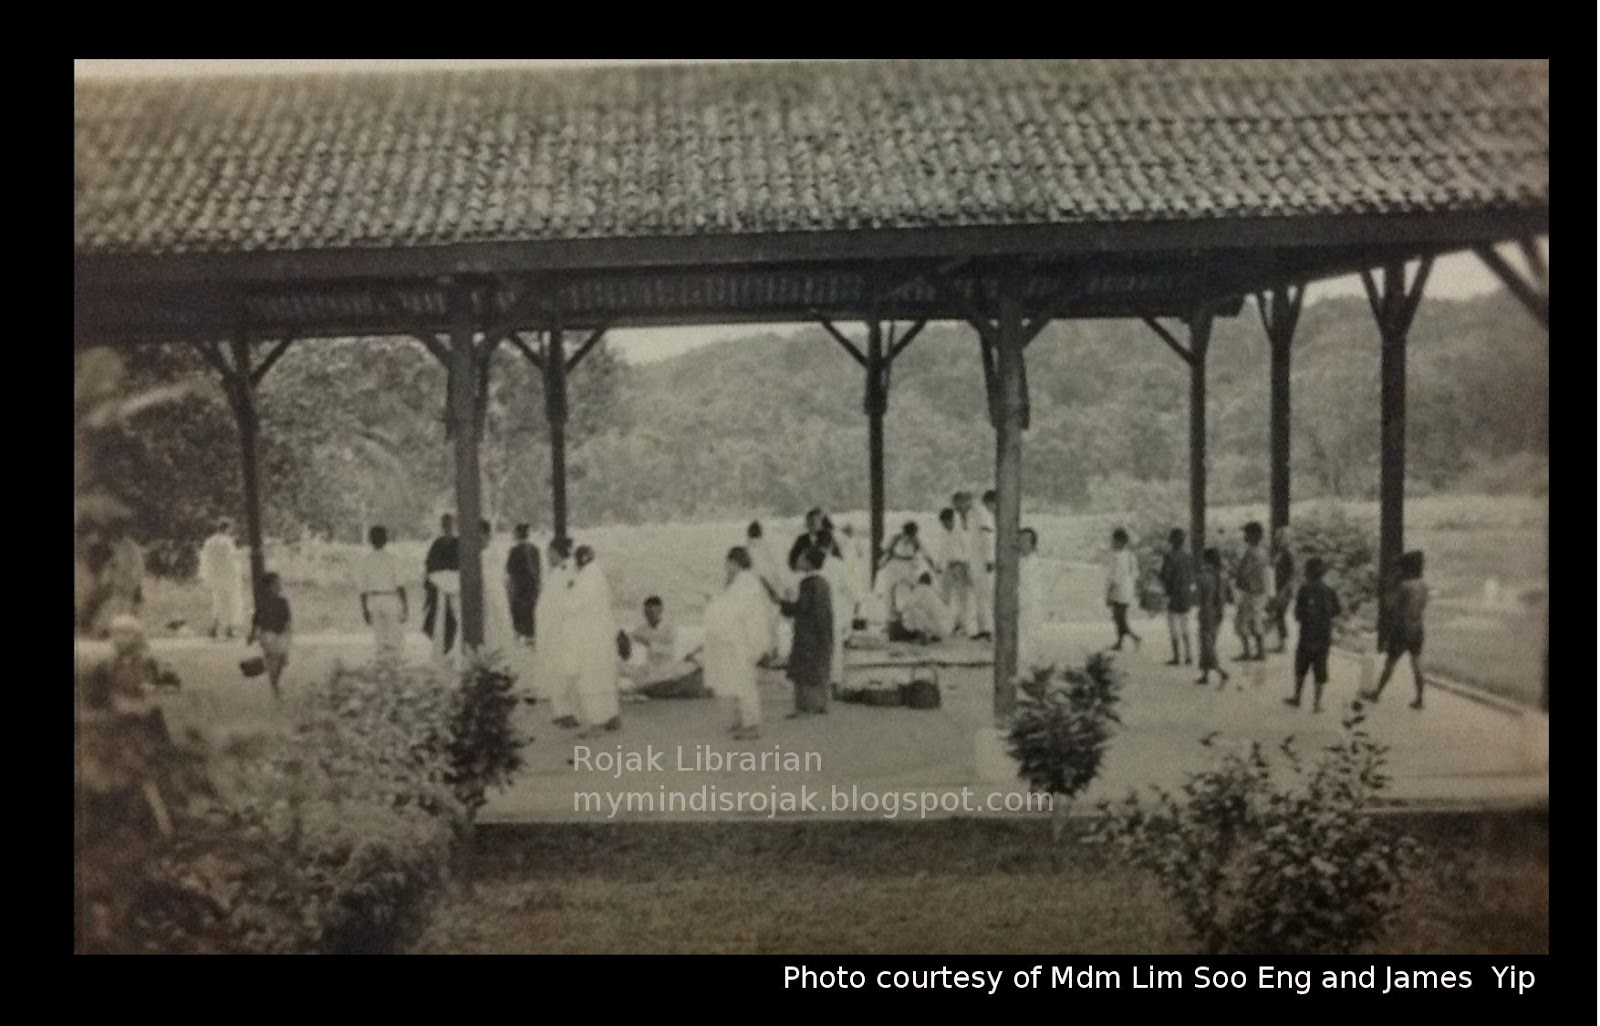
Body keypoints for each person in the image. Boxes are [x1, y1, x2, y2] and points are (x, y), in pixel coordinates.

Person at [701, 549, 772, 739]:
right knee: (738, 680)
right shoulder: (743, 581)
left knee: (744, 682)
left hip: (744, 640)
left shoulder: (745, 582)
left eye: (728, 563)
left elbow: (733, 609)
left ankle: (752, 725)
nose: (726, 567)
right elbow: (732, 606)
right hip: (740, 638)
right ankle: (742, 720)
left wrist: (713, 602)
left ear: (734, 562)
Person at [561, 545, 621, 739]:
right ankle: (612, 716)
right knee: (605, 677)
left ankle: (596, 723)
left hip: (589, 638)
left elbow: (572, 605)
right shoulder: (597, 575)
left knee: (590, 680)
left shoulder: (587, 578)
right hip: (601, 635)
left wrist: (566, 590)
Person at [1364, 550, 1430, 710]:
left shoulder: (1404, 586)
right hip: (1418, 625)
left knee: (1390, 662)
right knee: (1417, 663)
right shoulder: (1424, 586)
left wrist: (1389, 585)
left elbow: (1390, 605)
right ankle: (1420, 698)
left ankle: (1377, 693)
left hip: (1402, 627)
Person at [780, 546, 834, 717]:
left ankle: (803, 708)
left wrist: (785, 604)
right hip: (822, 631)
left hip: (807, 632)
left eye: (802, 558)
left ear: (809, 563)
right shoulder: (824, 583)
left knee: (803, 670)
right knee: (820, 666)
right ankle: (821, 703)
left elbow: (802, 607)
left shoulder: (807, 584)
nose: (799, 560)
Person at [1285, 557, 1341, 713]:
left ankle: (1297, 697)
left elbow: (1297, 614)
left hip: (1306, 635)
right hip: (1323, 636)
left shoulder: (1304, 590)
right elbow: (1337, 611)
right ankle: (1317, 704)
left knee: (1301, 667)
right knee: (1320, 670)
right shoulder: (1330, 591)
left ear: (1308, 572)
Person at [535, 537, 576, 724]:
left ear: (555, 552)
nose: (547, 558)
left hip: (560, 630)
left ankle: (567, 713)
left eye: (548, 553)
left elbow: (563, 603)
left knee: (562, 671)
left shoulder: (566, 572)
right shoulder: (559, 572)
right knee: (556, 671)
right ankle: (562, 712)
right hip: (552, 630)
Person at [357, 525, 408, 665]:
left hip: (374, 600)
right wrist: (405, 606)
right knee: (394, 637)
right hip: (390, 598)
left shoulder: (366, 561)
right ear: (386, 540)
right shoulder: (393, 559)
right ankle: (393, 665)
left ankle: (382, 665)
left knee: (379, 637)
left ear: (370, 540)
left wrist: (365, 610)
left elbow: (362, 590)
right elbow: (400, 585)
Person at [247, 572, 292, 700]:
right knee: (274, 656)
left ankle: (270, 673)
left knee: (281, 659)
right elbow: (256, 620)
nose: (279, 587)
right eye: (275, 585)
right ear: (267, 587)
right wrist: (252, 634)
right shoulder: (262, 603)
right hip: (268, 634)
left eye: (279, 584)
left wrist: (288, 633)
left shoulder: (283, 602)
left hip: (281, 633)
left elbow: (287, 618)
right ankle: (275, 684)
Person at [879, 521, 937, 621]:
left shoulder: (916, 541)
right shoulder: (896, 538)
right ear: (904, 531)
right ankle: (889, 617)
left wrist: (933, 566)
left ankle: (909, 617)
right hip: (894, 565)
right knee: (889, 591)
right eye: (909, 534)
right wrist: (882, 562)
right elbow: (887, 551)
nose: (910, 536)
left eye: (913, 534)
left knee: (910, 590)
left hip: (909, 566)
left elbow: (926, 555)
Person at [746, 521, 785, 661]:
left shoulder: (749, 549)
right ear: (761, 533)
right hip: (766, 590)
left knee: (762, 623)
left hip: (758, 592)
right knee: (770, 622)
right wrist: (774, 590)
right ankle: (770, 653)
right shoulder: (763, 548)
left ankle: (765, 653)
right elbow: (764, 573)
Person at [422, 514, 460, 658]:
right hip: (439, 588)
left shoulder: (459, 542)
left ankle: (453, 647)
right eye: (445, 524)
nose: (448, 527)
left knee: (455, 618)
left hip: (456, 587)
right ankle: (442, 647)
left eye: (449, 524)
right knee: (439, 617)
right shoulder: (437, 543)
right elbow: (429, 565)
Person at [199, 519, 243, 640]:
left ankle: (214, 627)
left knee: (219, 603)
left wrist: (206, 576)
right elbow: (231, 560)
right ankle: (230, 629)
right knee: (231, 603)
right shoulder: (227, 542)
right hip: (228, 577)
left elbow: (205, 559)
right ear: (228, 528)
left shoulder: (209, 541)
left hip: (215, 577)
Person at [1195, 548, 1233, 687]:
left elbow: (1198, 598)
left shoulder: (1203, 577)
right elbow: (1231, 597)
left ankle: (1220, 672)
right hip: (1219, 612)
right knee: (1211, 641)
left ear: (1206, 560)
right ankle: (1205, 675)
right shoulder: (1224, 576)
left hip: (1207, 612)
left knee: (1206, 643)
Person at [1158, 529, 1196, 666]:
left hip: (1173, 594)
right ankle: (1189, 656)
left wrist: (1158, 576)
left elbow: (1165, 576)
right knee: (1185, 625)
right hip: (1186, 593)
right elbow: (1192, 577)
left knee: (1173, 625)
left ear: (1171, 541)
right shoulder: (1188, 557)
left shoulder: (1169, 556)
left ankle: (1176, 657)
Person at [1233, 521, 1269, 662]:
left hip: (1250, 592)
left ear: (1253, 535)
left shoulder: (1250, 553)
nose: (1244, 536)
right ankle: (1260, 651)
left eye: (1246, 533)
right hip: (1260, 592)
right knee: (1256, 621)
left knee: (1242, 622)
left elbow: (1244, 572)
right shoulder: (1263, 552)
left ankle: (1248, 652)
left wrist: (1237, 577)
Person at [479, 520, 517, 655]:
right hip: (483, 591)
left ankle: (501, 650)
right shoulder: (477, 551)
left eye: (480, 534)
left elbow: (497, 572)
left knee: (498, 619)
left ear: (485, 534)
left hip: (494, 589)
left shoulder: (495, 550)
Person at [932, 508, 972, 634]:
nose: (944, 525)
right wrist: (938, 565)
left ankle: (962, 625)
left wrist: (965, 566)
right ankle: (945, 623)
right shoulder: (943, 534)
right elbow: (941, 551)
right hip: (948, 567)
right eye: (942, 523)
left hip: (961, 566)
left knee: (962, 597)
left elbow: (968, 552)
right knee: (944, 595)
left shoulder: (961, 534)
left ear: (951, 520)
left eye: (946, 522)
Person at [1017, 527, 1047, 675]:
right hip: (1020, 603)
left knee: (1032, 636)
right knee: (1021, 637)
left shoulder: (1035, 562)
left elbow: (1032, 586)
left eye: (1025, 541)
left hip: (1031, 603)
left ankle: (1032, 667)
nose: (1022, 543)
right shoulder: (1018, 561)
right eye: (1020, 540)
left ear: (1032, 544)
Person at [1106, 528, 1142, 652]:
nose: (1112, 542)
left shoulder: (1116, 557)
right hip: (1128, 588)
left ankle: (1134, 637)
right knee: (1120, 616)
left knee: (1118, 618)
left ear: (1119, 541)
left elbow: (1114, 578)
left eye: (1114, 540)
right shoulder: (1130, 555)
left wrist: (1108, 593)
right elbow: (1136, 573)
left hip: (1118, 590)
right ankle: (1120, 642)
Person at [506, 524, 542, 646]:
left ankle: (519, 635)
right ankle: (531, 636)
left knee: (518, 610)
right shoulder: (535, 549)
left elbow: (510, 570)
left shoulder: (515, 550)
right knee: (531, 610)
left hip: (519, 585)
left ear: (518, 534)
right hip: (532, 585)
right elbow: (538, 568)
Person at [894, 572, 953, 643]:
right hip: (944, 626)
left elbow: (909, 602)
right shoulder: (933, 591)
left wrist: (899, 611)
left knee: (913, 611)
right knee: (927, 612)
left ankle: (923, 634)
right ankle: (935, 635)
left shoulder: (920, 589)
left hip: (929, 621)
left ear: (920, 580)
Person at [972, 489, 998, 641]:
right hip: (984, 562)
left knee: (982, 596)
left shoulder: (979, 513)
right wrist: (990, 559)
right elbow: (987, 539)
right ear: (990, 502)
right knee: (987, 595)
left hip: (978, 561)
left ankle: (985, 628)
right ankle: (988, 630)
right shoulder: (984, 515)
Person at [1268, 526, 1298, 654]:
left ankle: (1283, 642)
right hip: (1278, 586)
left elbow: (1291, 573)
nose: (1278, 540)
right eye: (1278, 537)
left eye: (1281, 538)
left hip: (1285, 588)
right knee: (1278, 614)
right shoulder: (1278, 553)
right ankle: (1281, 641)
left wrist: (1284, 590)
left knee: (1280, 613)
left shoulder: (1288, 554)